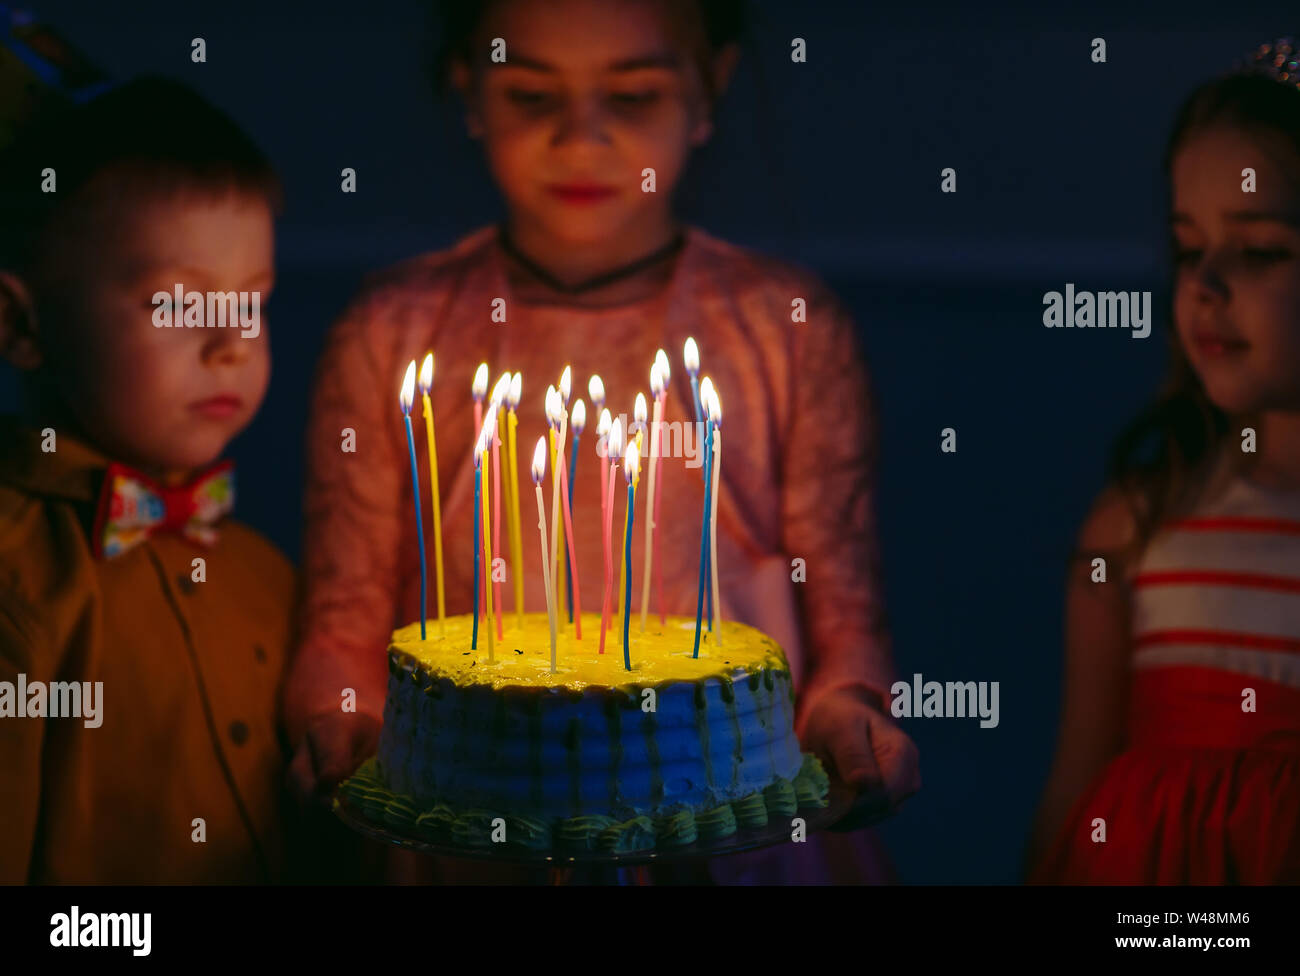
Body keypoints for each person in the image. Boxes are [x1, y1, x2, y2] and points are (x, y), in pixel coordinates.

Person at [287, 0, 920, 883]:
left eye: (632, 97)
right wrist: (338, 717)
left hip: (741, 842)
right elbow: (344, 620)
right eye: (531, 95)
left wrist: (851, 714)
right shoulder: (392, 333)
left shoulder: (786, 328)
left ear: (709, 93)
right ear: (469, 91)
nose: (580, 140)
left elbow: (845, 617)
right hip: (475, 837)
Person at [0, 78, 294, 883]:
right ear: (21, 324)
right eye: (177, 305)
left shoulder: (271, 577)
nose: (231, 342)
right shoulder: (17, 591)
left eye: (254, 302)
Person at [1028, 43, 1300, 884]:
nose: (1206, 285)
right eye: (1189, 250)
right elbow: (1073, 791)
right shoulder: (1138, 525)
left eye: (1258, 251)